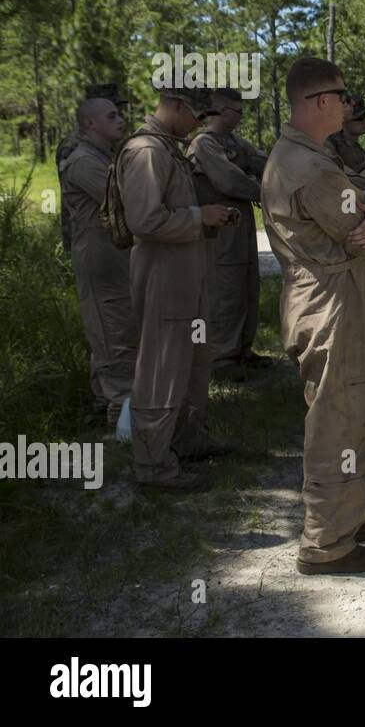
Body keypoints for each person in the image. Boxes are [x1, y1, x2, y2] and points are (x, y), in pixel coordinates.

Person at [262, 57, 365, 575]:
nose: (349, 106)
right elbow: (357, 229)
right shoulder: (304, 166)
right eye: (343, 97)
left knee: (364, 410)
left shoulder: (317, 157)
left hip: (348, 300)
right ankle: (325, 544)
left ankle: (356, 514)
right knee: (336, 420)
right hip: (329, 305)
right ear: (321, 101)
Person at [115, 84, 233, 491]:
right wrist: (201, 216)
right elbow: (145, 221)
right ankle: (152, 466)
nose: (200, 124)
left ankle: (185, 442)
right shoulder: (147, 151)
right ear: (178, 106)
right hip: (165, 277)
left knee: (194, 360)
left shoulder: (168, 147)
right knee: (162, 368)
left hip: (187, 274)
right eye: (197, 116)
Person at [59, 97, 137, 428]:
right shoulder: (82, 162)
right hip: (99, 257)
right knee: (112, 330)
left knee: (117, 326)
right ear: (90, 123)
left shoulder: (102, 156)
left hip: (113, 255)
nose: (120, 119)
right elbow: (125, 199)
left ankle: (108, 402)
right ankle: (121, 413)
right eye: (111, 115)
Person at [187, 88, 268, 374]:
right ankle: (221, 355)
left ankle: (242, 349)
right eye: (237, 110)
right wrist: (266, 192)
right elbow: (229, 181)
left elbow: (263, 163)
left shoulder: (236, 142)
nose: (241, 116)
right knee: (226, 290)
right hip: (220, 229)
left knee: (247, 283)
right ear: (220, 110)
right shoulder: (203, 144)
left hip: (241, 223)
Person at [57, 82, 127, 252]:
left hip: (107, 232)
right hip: (88, 229)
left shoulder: (102, 142)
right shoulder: (76, 148)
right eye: (111, 114)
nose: (120, 118)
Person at [326, 94, 365, 173]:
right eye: (359, 118)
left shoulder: (356, 147)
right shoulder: (332, 143)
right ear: (344, 122)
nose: (364, 121)